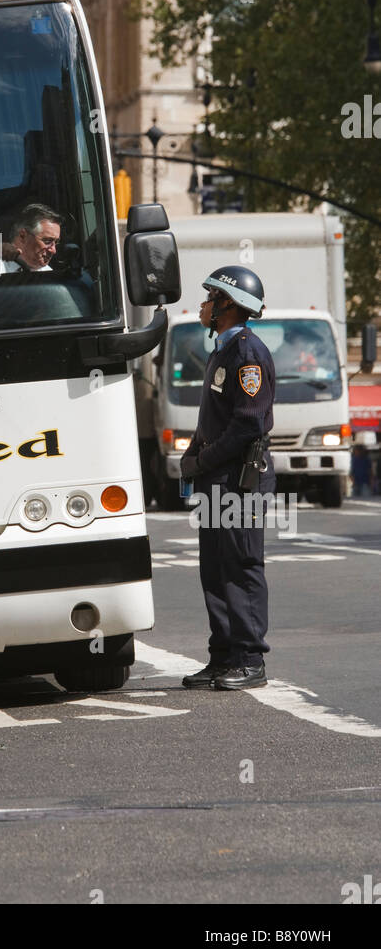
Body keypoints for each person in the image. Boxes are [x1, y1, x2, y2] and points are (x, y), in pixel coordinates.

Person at [178, 265, 275, 692]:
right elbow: (215, 418)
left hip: (239, 480)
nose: (203, 305)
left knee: (240, 566)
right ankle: (223, 656)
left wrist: (206, 459)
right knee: (215, 569)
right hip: (216, 478)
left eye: (210, 297)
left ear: (228, 306)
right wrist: (193, 453)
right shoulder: (223, 350)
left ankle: (250, 659)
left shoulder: (247, 354)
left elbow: (248, 425)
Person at [0, 203, 61, 277]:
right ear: (23, 236)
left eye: (56, 242)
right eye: (47, 241)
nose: (54, 250)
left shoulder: (50, 275)